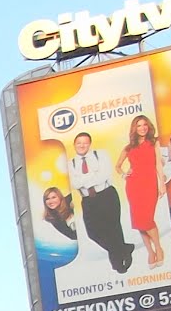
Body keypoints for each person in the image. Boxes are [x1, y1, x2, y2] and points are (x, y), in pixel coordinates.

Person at [69, 131, 134, 273]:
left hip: (106, 194)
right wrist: (92, 176)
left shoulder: (101, 154)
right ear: (74, 145)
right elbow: (74, 183)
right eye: (79, 143)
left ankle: (118, 265)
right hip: (88, 200)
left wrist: (84, 180)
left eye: (85, 143)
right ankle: (124, 249)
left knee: (113, 230)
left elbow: (104, 174)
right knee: (93, 232)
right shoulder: (71, 163)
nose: (82, 145)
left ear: (89, 144)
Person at [116, 114, 163, 266]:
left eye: (145, 125)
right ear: (134, 129)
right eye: (139, 125)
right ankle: (150, 252)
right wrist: (124, 174)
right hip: (133, 186)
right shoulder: (129, 147)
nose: (142, 128)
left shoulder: (154, 142)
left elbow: (158, 165)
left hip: (150, 184)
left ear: (148, 126)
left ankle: (159, 248)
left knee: (147, 220)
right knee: (139, 221)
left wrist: (162, 183)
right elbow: (117, 166)